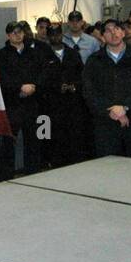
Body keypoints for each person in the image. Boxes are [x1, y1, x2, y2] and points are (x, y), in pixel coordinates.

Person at [82, 20, 131, 158]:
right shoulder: (94, 60)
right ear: (103, 36)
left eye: (116, 29)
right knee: (108, 168)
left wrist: (126, 107)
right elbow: (89, 91)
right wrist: (110, 109)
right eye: (108, 30)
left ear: (123, 32)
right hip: (105, 123)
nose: (113, 33)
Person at [0, 20, 49, 176]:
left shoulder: (34, 53)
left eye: (19, 31)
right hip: (12, 103)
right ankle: (7, 175)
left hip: (32, 102)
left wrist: (34, 86)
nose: (17, 35)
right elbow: (1, 78)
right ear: (8, 35)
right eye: (13, 32)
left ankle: (32, 172)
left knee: (33, 139)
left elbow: (44, 72)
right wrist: (20, 87)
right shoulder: (1, 55)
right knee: (9, 141)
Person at [41, 23, 87, 167]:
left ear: (62, 35)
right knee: (51, 136)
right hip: (51, 106)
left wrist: (75, 86)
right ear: (48, 37)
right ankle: (52, 163)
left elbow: (82, 75)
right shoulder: (42, 55)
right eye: (52, 34)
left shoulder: (72, 53)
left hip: (72, 104)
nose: (55, 37)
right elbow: (40, 79)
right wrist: (56, 87)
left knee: (73, 136)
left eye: (58, 34)